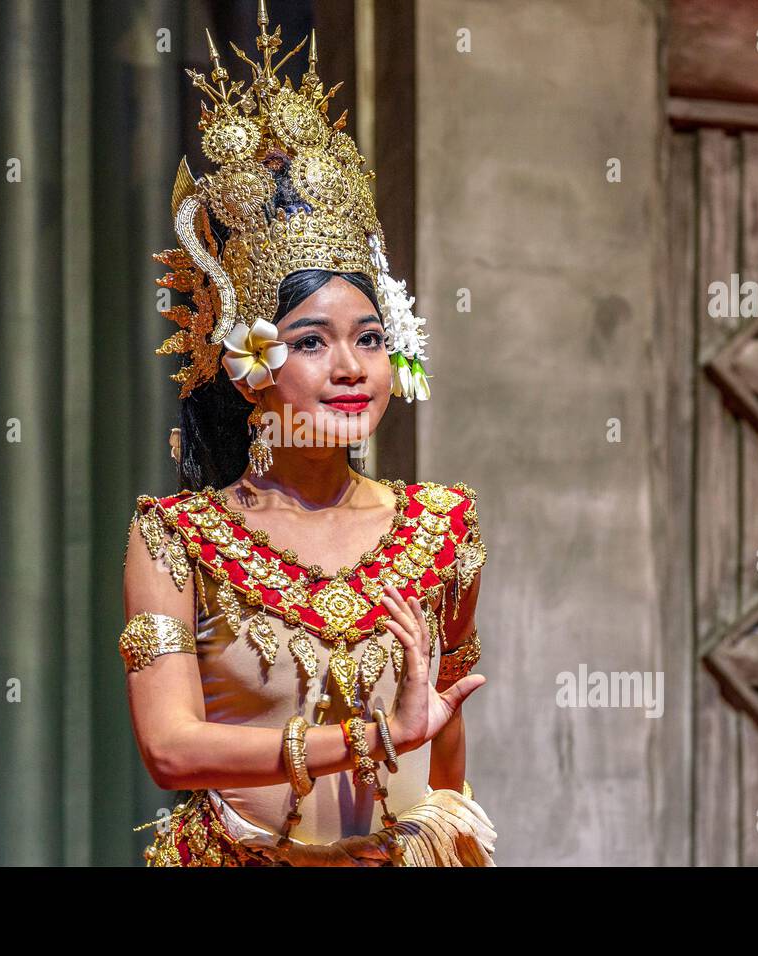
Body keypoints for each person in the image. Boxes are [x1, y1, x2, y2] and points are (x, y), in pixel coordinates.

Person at [118, 4, 495, 866]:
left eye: (369, 337)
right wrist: (367, 737)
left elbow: (444, 760)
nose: (353, 367)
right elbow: (170, 750)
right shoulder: (177, 539)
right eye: (311, 341)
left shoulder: (446, 528)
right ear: (249, 365)